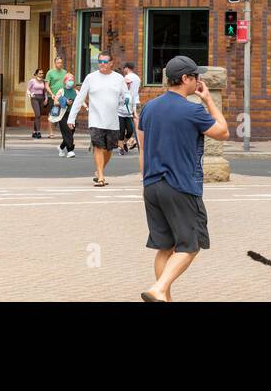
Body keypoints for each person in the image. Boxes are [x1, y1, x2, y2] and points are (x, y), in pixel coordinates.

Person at [136, 55, 229, 302]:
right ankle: (158, 289)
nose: (199, 80)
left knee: (165, 246)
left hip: (152, 185)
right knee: (191, 245)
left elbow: (142, 150)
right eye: (196, 76)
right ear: (186, 79)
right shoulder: (193, 110)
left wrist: (145, 181)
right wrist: (208, 99)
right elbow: (223, 132)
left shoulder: (149, 108)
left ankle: (163, 298)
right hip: (180, 186)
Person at [67, 52, 129, 187]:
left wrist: (131, 110)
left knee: (109, 149)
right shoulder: (91, 78)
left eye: (105, 62)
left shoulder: (118, 78)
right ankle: (101, 176)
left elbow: (126, 96)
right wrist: (71, 117)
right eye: (99, 61)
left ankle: (99, 170)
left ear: (111, 63)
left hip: (112, 120)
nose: (102, 64)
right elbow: (80, 98)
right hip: (95, 119)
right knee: (98, 146)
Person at [53, 71, 79, 157]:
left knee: (71, 132)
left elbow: (80, 100)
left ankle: (61, 147)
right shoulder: (61, 90)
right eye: (69, 80)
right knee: (67, 132)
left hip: (72, 115)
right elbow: (55, 102)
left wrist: (86, 107)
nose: (71, 81)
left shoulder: (75, 91)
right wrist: (65, 102)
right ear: (65, 81)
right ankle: (70, 150)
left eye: (72, 80)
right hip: (63, 115)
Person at [119, 60, 141, 154]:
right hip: (133, 103)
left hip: (128, 105)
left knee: (130, 129)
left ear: (126, 68)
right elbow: (137, 92)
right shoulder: (138, 78)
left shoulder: (126, 78)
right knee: (133, 125)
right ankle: (123, 147)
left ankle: (131, 141)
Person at [45, 56, 67, 138]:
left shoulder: (65, 72)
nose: (60, 64)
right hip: (53, 97)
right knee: (52, 114)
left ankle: (64, 132)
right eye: (58, 63)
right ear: (55, 63)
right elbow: (46, 85)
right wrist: (51, 94)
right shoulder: (50, 73)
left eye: (61, 63)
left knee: (63, 114)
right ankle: (51, 132)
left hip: (62, 96)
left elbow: (66, 83)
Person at [28, 70, 48, 139]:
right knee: (38, 114)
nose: (41, 74)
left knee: (38, 116)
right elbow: (28, 90)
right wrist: (30, 95)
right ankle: (38, 132)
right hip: (34, 98)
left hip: (41, 98)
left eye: (42, 73)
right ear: (36, 74)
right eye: (40, 73)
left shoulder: (43, 81)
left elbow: (45, 91)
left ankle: (34, 132)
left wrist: (46, 99)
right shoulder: (32, 81)